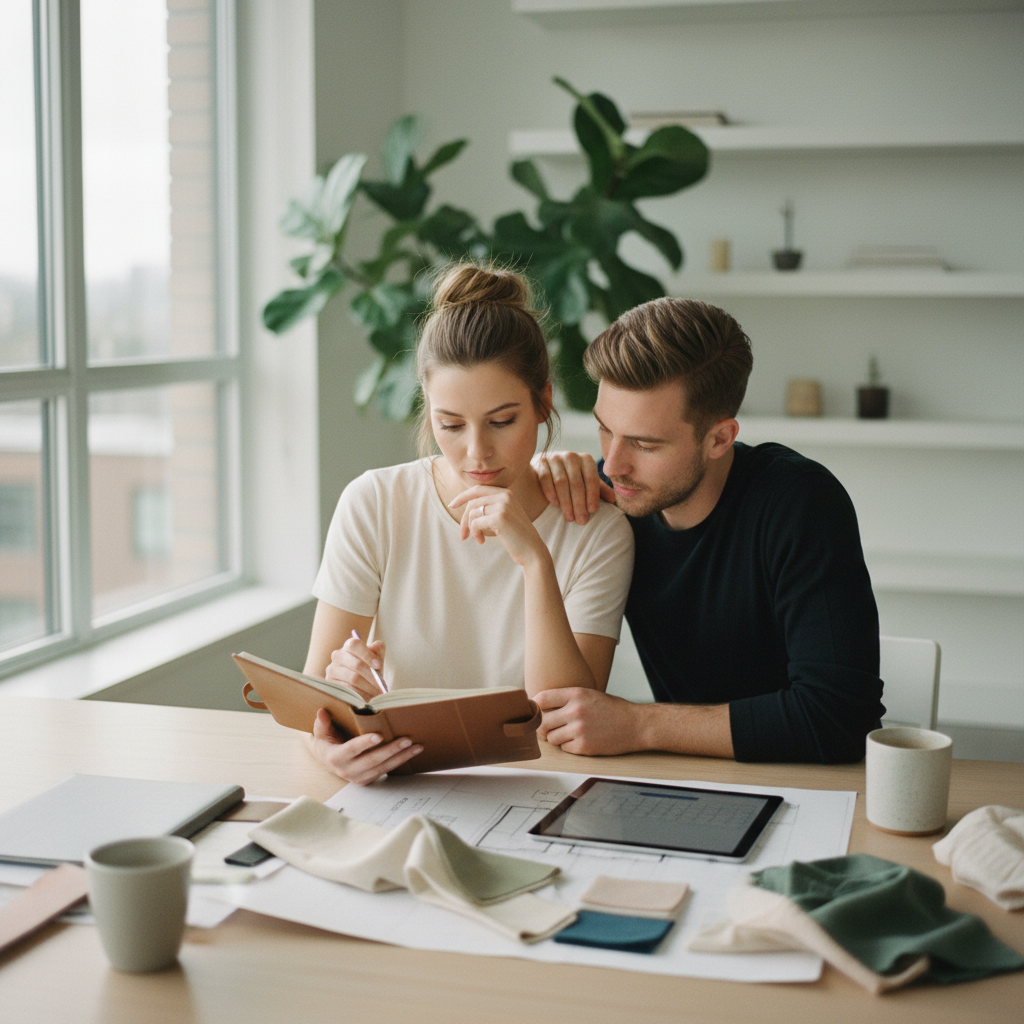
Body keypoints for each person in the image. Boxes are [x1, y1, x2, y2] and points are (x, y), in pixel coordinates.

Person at [303, 264, 634, 783]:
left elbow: (564, 720)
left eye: (503, 421)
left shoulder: (595, 528)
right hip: (402, 785)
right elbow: (314, 703)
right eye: (450, 425)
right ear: (427, 410)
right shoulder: (375, 501)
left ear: (544, 402)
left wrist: (534, 560)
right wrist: (329, 749)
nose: (476, 453)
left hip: (540, 790)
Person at [533, 297, 884, 764]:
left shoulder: (801, 502)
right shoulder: (608, 498)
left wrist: (640, 724)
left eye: (644, 443)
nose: (613, 464)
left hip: (810, 781)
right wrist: (534, 486)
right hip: (686, 777)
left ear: (720, 438)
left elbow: (838, 716)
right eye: (604, 431)